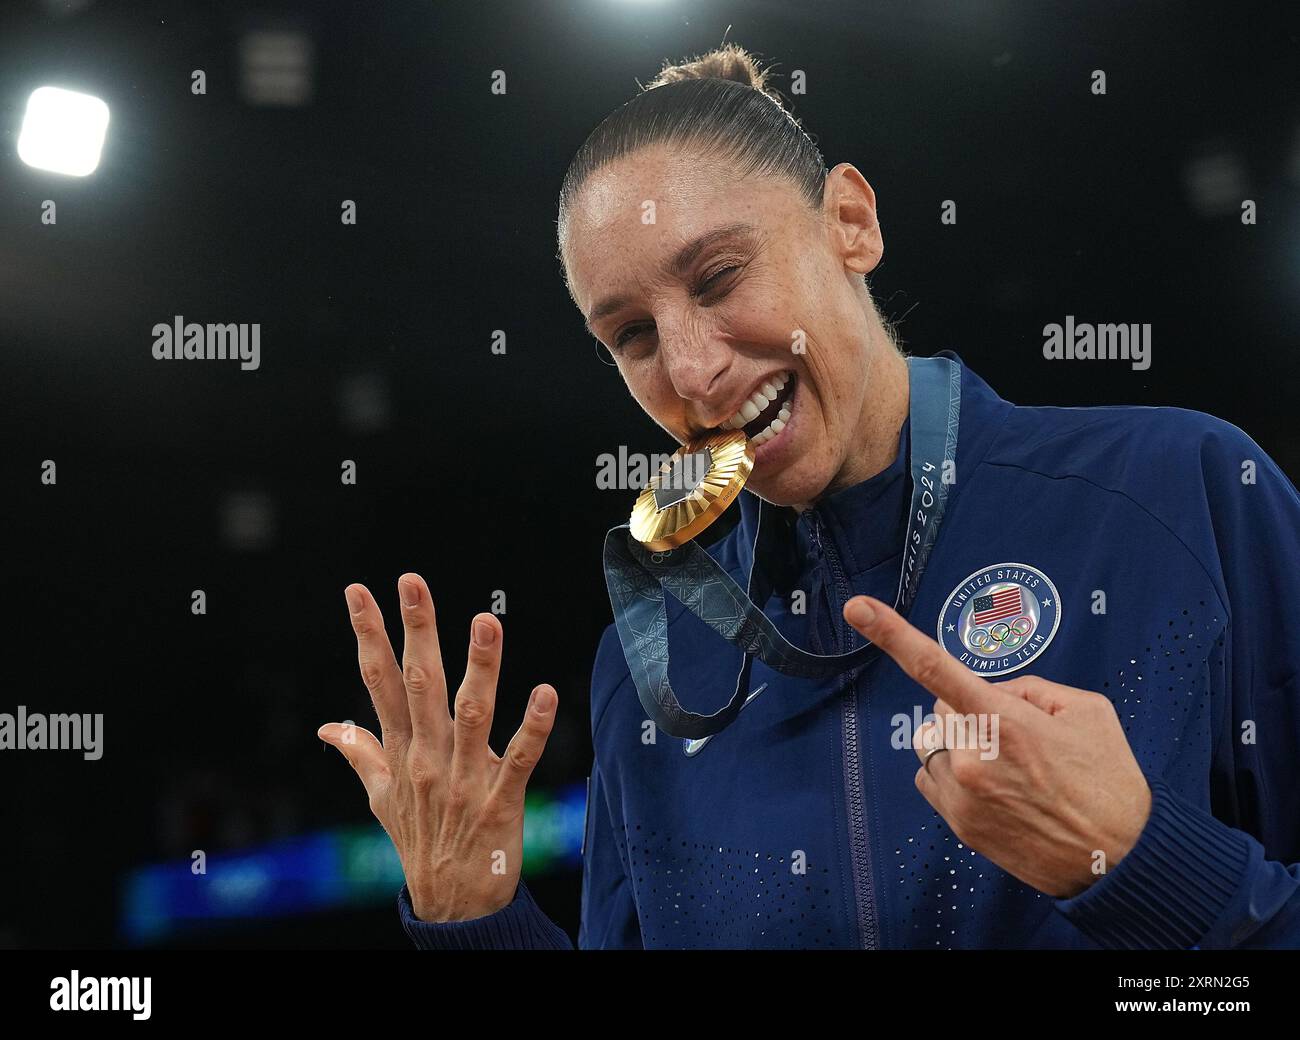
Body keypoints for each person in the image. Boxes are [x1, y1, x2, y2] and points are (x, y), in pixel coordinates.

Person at [317, 44, 1300, 948]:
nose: (693, 372)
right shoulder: (652, 669)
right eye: (633, 335)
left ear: (850, 221)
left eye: (718, 275)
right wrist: (474, 920)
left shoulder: (1180, 495)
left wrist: (1140, 859)